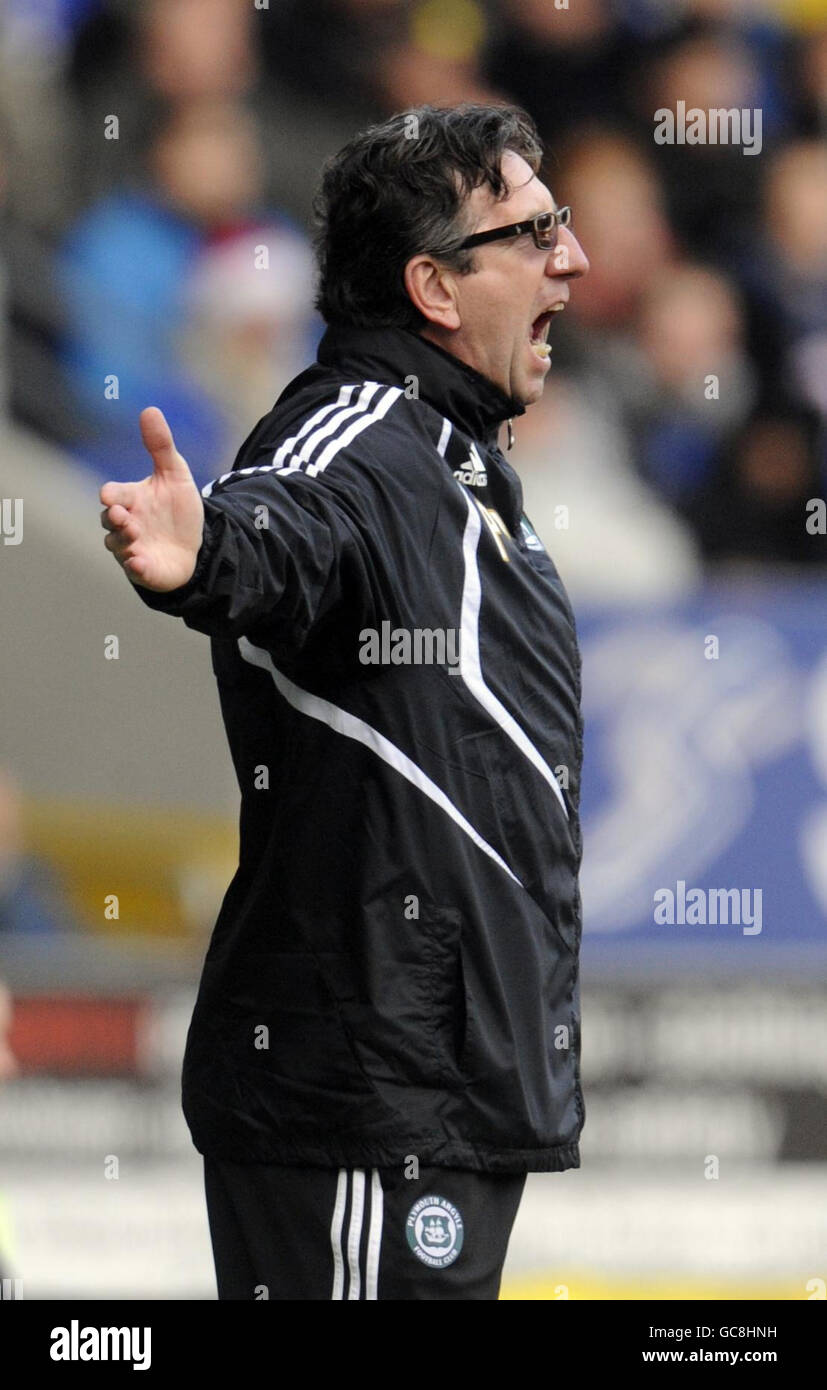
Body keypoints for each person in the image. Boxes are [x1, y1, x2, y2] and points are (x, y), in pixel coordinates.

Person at [99, 103, 590, 1301]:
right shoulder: (358, 434)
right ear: (432, 284)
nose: (570, 262)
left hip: (434, 1091)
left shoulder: (456, 461)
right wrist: (209, 548)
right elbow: (283, 527)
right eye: (531, 234)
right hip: (362, 1100)